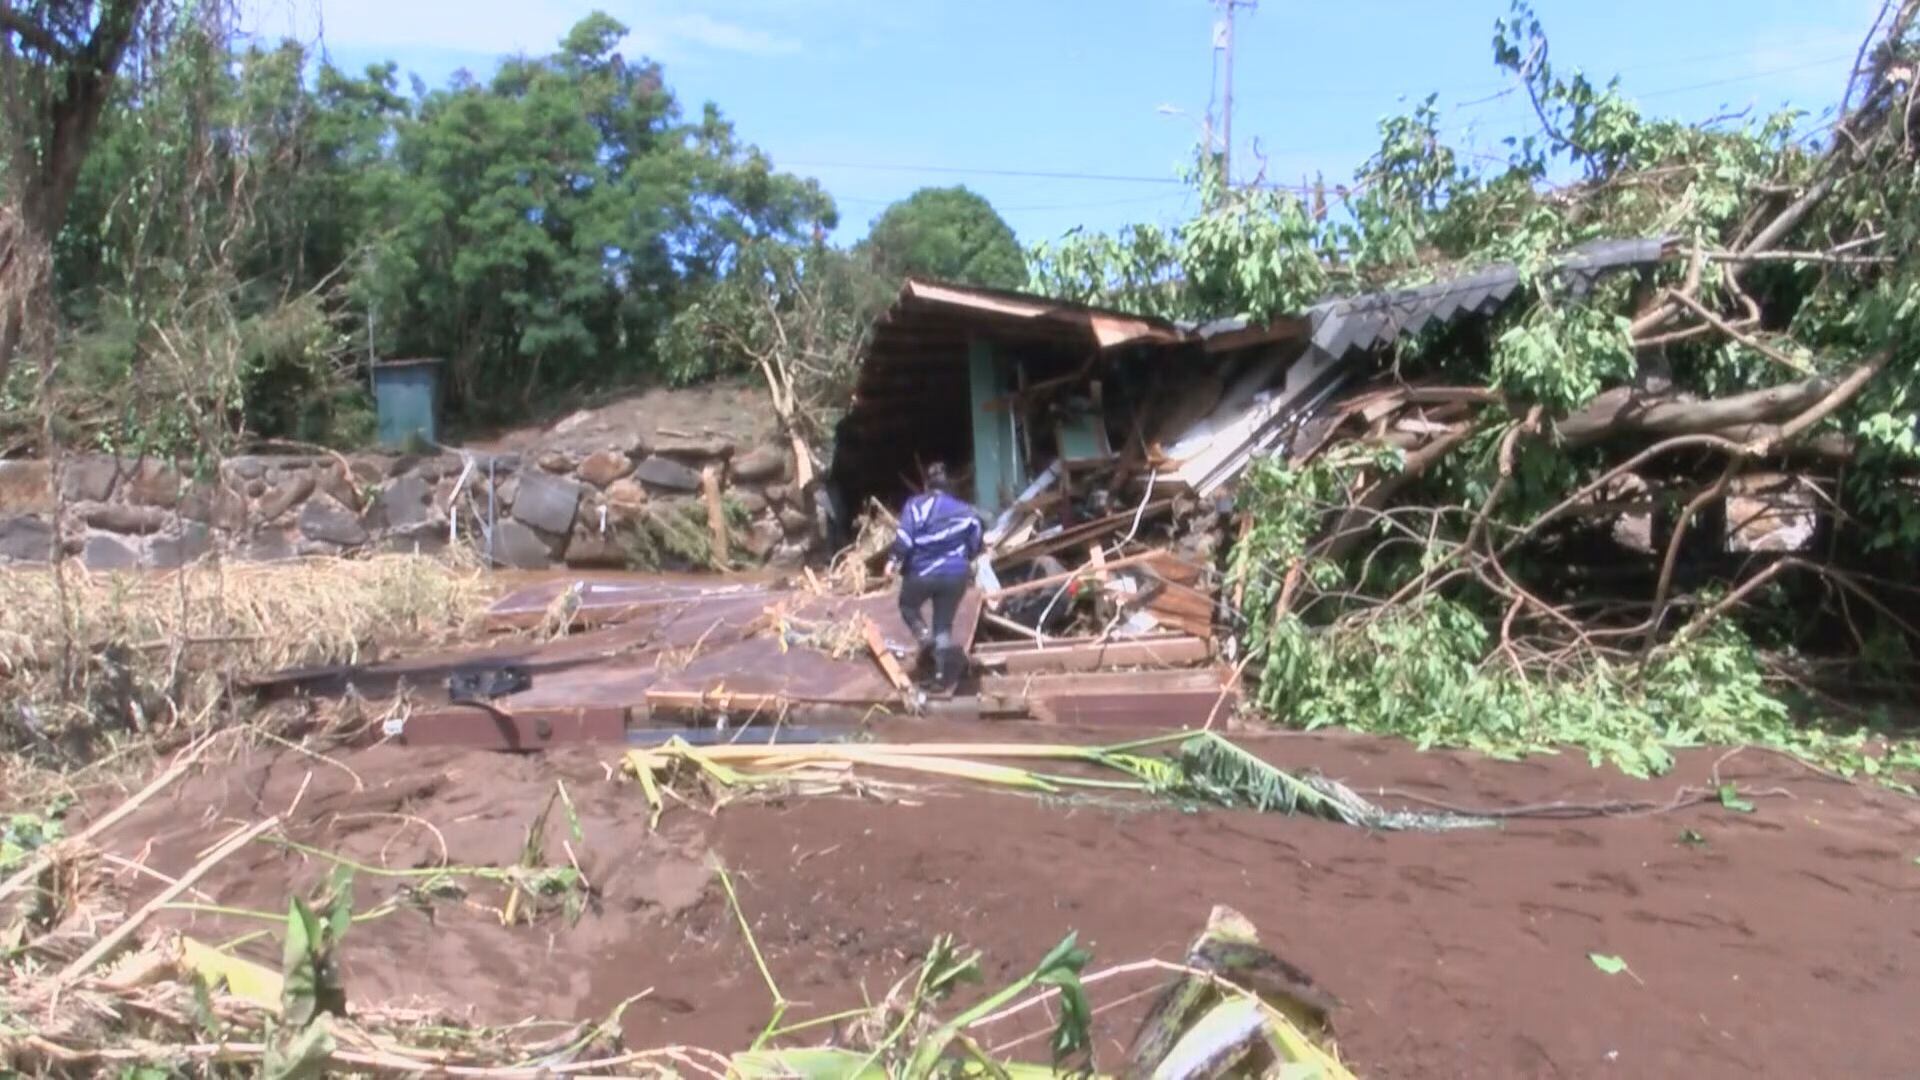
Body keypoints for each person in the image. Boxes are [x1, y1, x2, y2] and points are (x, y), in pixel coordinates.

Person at [887, 463, 982, 694]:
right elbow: (976, 541)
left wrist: (893, 562)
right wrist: (963, 558)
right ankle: (940, 678)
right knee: (943, 624)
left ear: (927, 486)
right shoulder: (966, 511)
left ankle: (923, 637)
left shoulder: (916, 506)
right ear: (948, 487)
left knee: (908, 605)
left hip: (922, 573)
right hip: (955, 575)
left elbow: (905, 540)